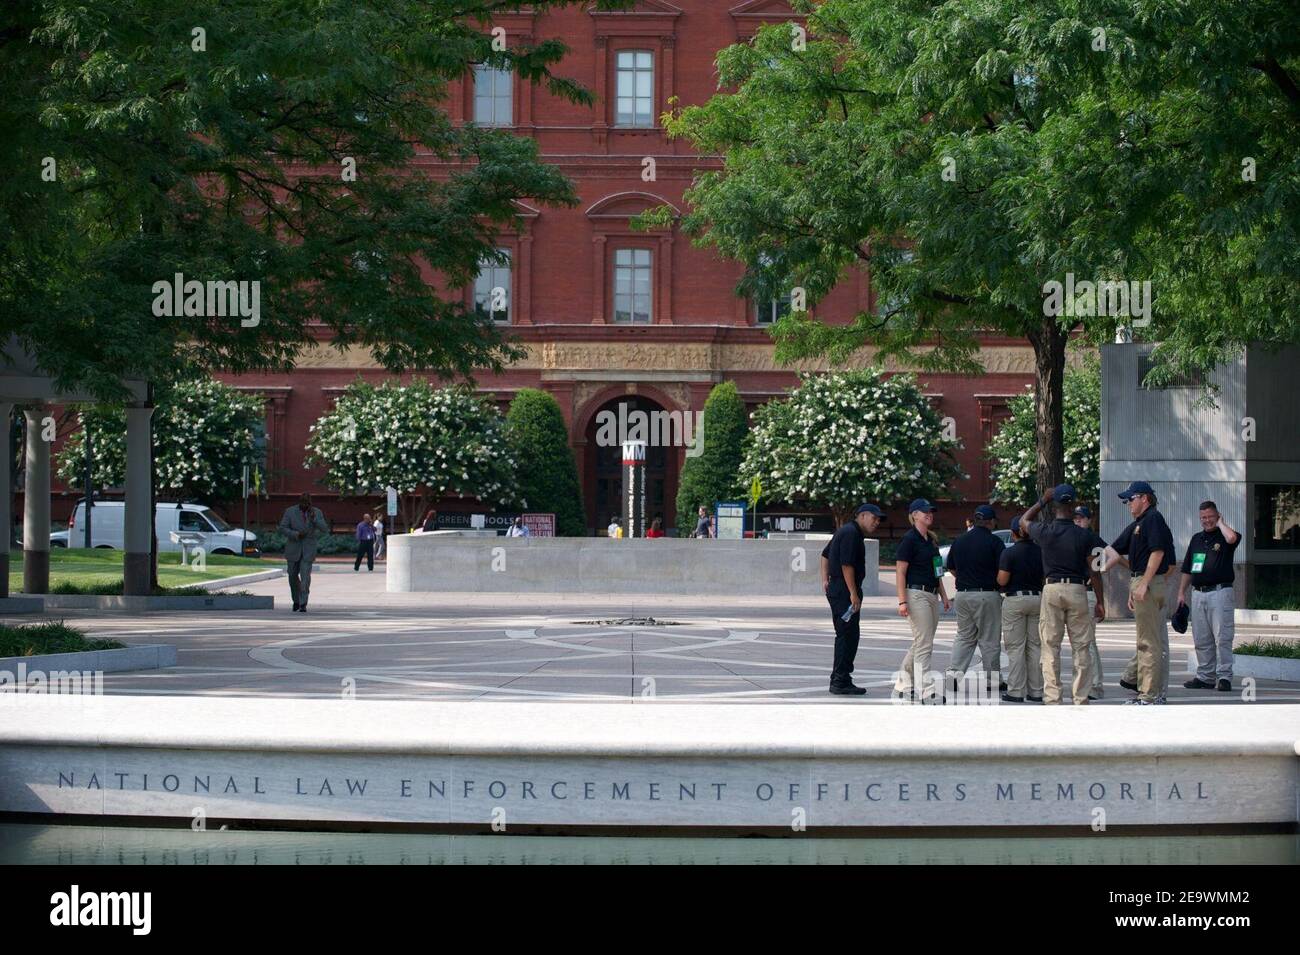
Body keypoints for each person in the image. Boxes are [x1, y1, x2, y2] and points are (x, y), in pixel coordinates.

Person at [1018, 484, 1105, 705]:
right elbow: (1095, 572)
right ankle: (1080, 696)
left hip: (1052, 588)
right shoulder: (1085, 535)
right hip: (1077, 589)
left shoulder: (1045, 531)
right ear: (1074, 504)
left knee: (1050, 645)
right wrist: (1101, 601)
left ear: (1054, 504)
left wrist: (1042, 501)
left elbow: (1023, 522)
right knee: (1081, 646)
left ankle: (1053, 696)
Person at [1104, 480, 1176, 705]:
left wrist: (1143, 583)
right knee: (1147, 641)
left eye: (1130, 499)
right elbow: (1115, 550)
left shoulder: (1153, 519)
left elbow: (1158, 553)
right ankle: (1146, 690)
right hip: (1143, 581)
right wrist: (1135, 582)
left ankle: (1150, 695)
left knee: (1149, 642)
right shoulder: (1139, 523)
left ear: (1144, 498)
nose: (1127, 504)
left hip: (1150, 583)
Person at [819, 503, 884, 695]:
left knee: (848, 635)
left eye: (879, 519)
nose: (877, 522)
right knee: (847, 636)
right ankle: (840, 680)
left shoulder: (847, 531)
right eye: (874, 518)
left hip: (840, 588)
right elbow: (847, 565)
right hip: (845, 591)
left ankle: (841, 678)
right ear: (862, 516)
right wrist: (853, 593)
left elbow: (824, 555)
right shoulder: (851, 533)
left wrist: (825, 580)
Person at [944, 504, 1006, 695]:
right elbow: (1003, 571)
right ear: (991, 521)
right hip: (988, 594)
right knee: (989, 639)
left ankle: (954, 675)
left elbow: (951, 567)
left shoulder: (960, 540)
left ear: (975, 520)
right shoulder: (995, 543)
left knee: (964, 636)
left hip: (962, 594)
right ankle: (992, 680)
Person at [893, 499, 951, 703]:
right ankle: (926, 690)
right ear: (914, 515)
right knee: (925, 643)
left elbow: (938, 571)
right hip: (915, 594)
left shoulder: (931, 541)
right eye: (925, 512)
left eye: (931, 512)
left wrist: (944, 595)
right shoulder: (909, 540)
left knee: (921, 641)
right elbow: (900, 572)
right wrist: (902, 601)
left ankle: (903, 682)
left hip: (931, 594)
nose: (930, 514)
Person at [1177, 501, 1239, 692]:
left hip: (1220, 592)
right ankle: (1205, 677)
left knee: (1223, 637)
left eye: (1210, 516)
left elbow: (1232, 538)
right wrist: (1181, 592)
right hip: (1198, 594)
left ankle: (1224, 677)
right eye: (1203, 517)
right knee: (1202, 638)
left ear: (1217, 515)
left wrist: (1220, 523)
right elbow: (1188, 569)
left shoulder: (1225, 535)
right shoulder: (1197, 539)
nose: (1206, 521)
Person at [997, 516, 1044, 703]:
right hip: (1037, 598)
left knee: (1016, 647)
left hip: (1015, 600)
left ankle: (1016, 690)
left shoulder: (1009, 553)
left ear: (1013, 533)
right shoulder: (1040, 552)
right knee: (1035, 646)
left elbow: (1002, 580)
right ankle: (1037, 691)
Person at [1073, 505, 1107, 701]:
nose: (1077, 521)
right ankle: (1090, 682)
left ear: (1089, 520)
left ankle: (1094, 684)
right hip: (1077, 591)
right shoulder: (1075, 537)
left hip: (1087, 591)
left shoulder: (1093, 540)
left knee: (1087, 642)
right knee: (1083, 642)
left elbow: (1097, 569)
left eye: (1081, 518)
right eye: (1075, 518)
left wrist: (1100, 600)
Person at [278, 492, 329, 612]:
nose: (305, 505)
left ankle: (303, 603)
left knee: (305, 577)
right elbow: (283, 528)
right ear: (299, 502)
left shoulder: (316, 512)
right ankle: (296, 600)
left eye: (307, 503)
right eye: (303, 502)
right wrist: (295, 534)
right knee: (292, 576)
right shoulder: (290, 511)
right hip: (293, 548)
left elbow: (324, 529)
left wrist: (314, 519)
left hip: (308, 549)